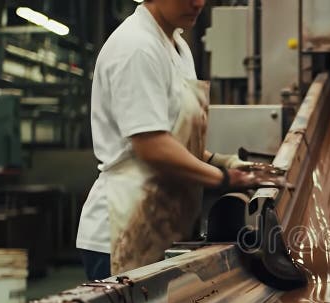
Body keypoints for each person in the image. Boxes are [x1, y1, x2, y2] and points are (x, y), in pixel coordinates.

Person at [77, 0, 283, 280]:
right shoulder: (136, 47)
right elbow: (152, 146)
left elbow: (176, 139)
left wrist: (224, 161)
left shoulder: (177, 45)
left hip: (161, 224)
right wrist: (224, 178)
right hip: (123, 231)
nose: (198, 2)